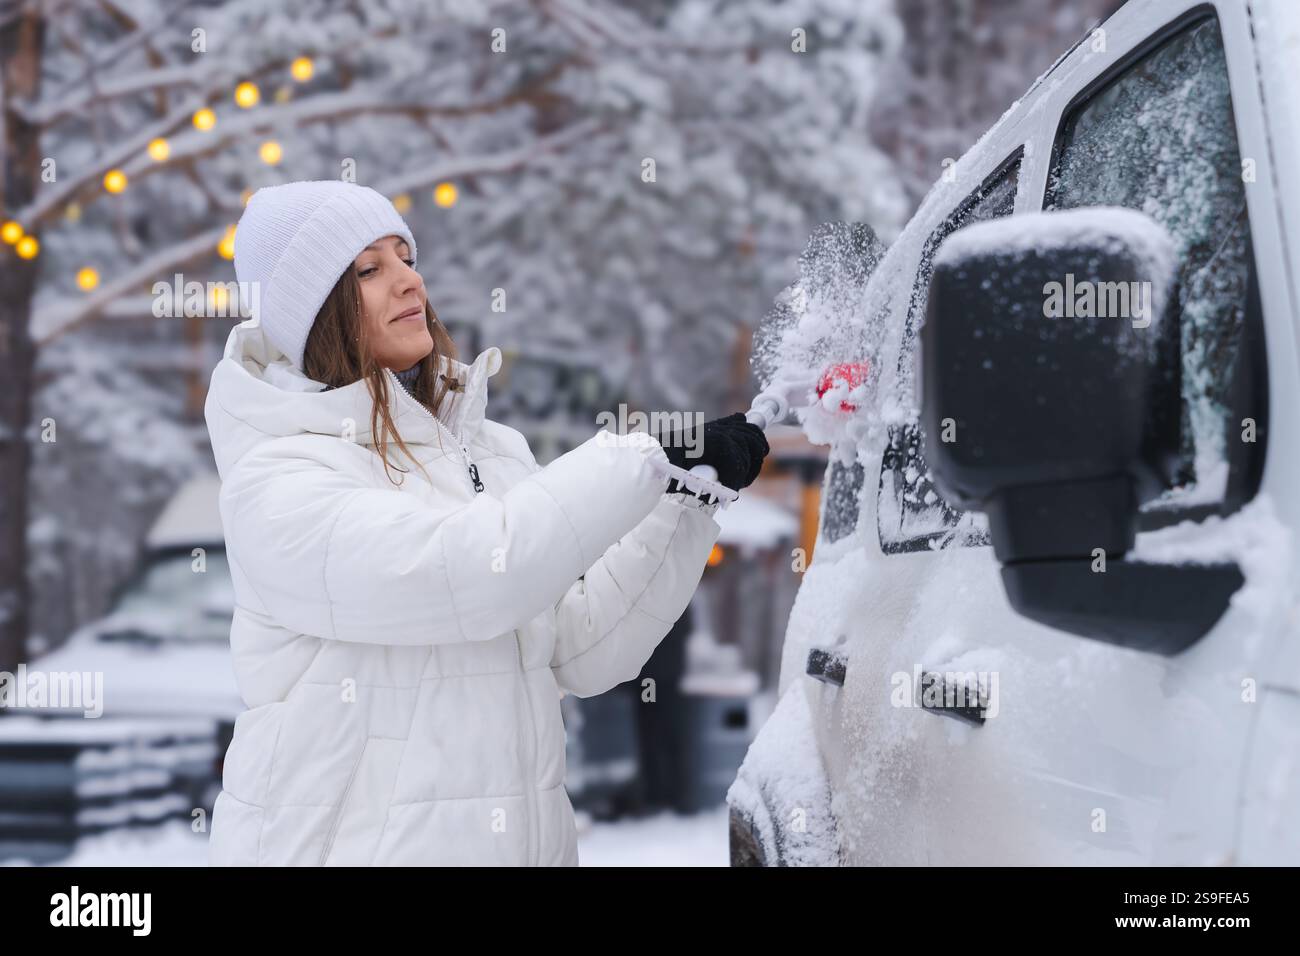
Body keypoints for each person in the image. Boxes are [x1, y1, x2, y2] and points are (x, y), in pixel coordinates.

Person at [202, 179, 769, 865]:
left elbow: (583, 650)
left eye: (405, 256)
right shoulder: (281, 481)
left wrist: (688, 496)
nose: (409, 281)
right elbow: (472, 574)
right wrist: (645, 454)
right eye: (369, 269)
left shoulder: (492, 450)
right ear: (309, 310)